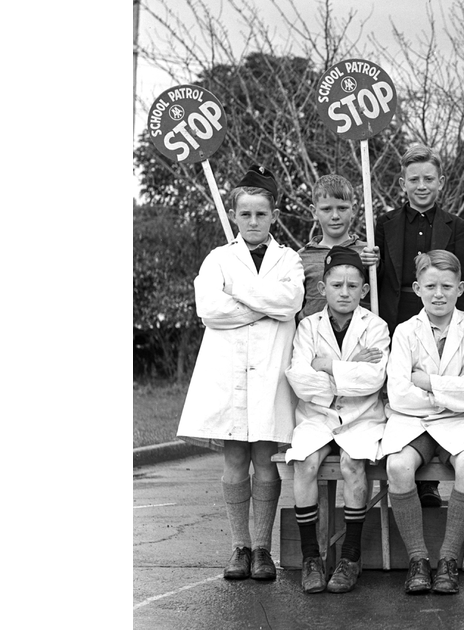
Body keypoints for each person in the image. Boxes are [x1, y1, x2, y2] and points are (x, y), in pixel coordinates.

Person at [176, 166, 304, 581]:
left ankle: (263, 549)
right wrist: (263, 305)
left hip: (269, 371)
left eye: (261, 214)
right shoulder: (218, 258)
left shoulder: (289, 259)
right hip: (227, 372)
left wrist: (239, 296)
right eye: (245, 214)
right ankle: (239, 546)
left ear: (274, 215)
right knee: (234, 459)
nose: (253, 222)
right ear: (234, 215)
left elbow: (290, 302)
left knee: (265, 461)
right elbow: (209, 309)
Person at [379, 250, 464, 595]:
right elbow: (398, 393)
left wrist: (428, 382)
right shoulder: (404, 332)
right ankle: (417, 559)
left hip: (460, 422)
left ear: (460, 288)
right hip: (412, 421)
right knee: (398, 467)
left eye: (447, 286)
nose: (439, 294)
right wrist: (449, 394)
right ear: (417, 288)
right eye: (431, 286)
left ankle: (447, 560)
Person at [372, 145, 464, 507]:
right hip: (398, 318)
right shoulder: (383, 224)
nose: (421, 186)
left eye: (428, 179)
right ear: (402, 183)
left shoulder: (457, 226)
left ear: (441, 182)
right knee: (397, 391)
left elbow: (463, 278)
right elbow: (379, 275)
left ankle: (429, 486)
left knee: (435, 386)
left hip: (440, 313)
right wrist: (370, 257)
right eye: (413, 179)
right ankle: (399, 469)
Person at [284, 246, 390, 594]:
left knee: (352, 464)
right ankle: (311, 558)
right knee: (304, 462)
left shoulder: (375, 326)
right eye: (336, 285)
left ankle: (350, 557)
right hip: (318, 413)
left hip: (362, 416)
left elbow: (373, 379)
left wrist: (328, 366)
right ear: (322, 288)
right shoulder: (307, 327)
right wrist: (348, 370)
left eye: (352, 285)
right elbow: (298, 378)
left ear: (365, 290)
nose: (344, 292)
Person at [296, 174, 381, 320]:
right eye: (326, 209)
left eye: (342, 208)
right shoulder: (300, 258)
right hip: (312, 339)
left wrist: (379, 267)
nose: (335, 216)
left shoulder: (369, 252)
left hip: (359, 338)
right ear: (314, 211)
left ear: (353, 209)